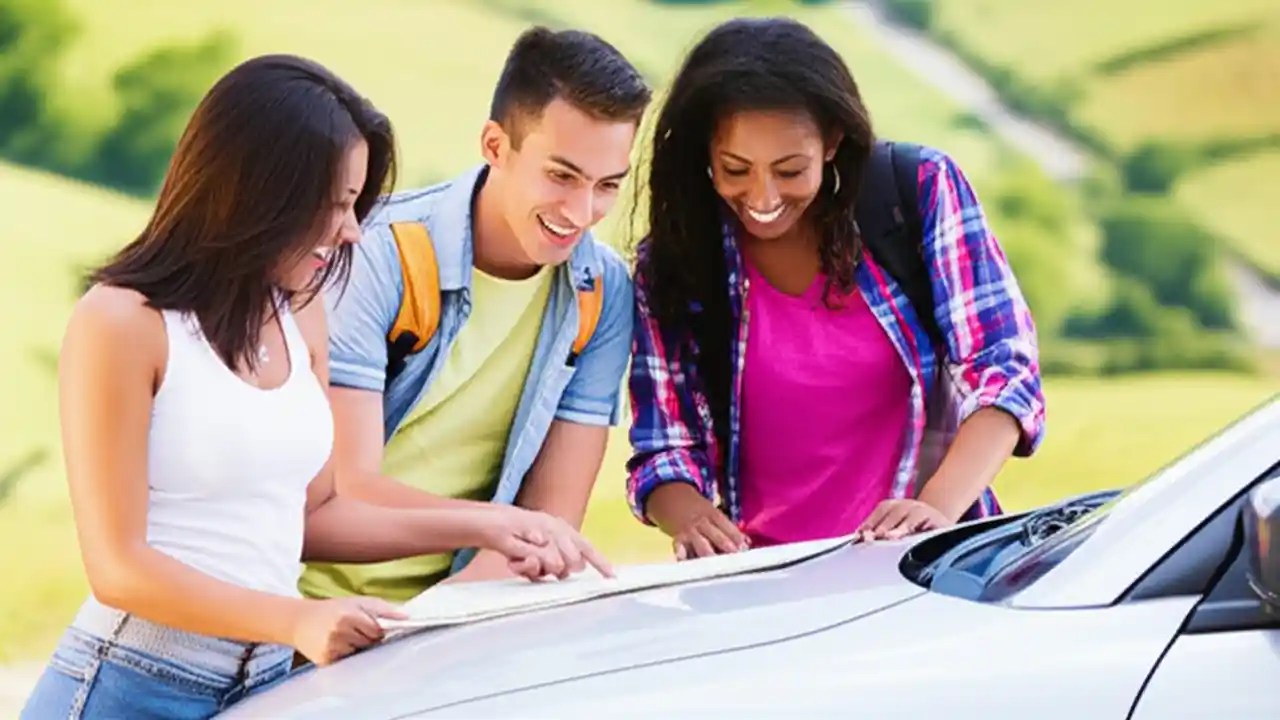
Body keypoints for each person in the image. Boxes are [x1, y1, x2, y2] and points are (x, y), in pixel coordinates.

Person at [21, 54, 610, 720]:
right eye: (332, 206)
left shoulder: (301, 310)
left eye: (355, 205)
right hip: (129, 686)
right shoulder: (123, 321)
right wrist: (296, 619)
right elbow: (118, 567)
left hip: (268, 684)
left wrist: (496, 525)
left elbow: (315, 515)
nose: (352, 230)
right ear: (254, 192)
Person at [625, 17, 1046, 560]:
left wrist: (935, 512)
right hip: (760, 584)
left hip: (923, 568)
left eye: (789, 170)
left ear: (832, 140)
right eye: (735, 169)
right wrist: (694, 519)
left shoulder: (918, 192)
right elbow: (664, 446)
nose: (763, 195)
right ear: (705, 153)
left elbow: (1004, 371)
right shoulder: (674, 262)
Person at [296, 27, 651, 603]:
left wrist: (439, 621)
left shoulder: (602, 293)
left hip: (460, 615)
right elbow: (347, 488)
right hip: (307, 609)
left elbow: (551, 522)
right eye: (561, 176)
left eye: (607, 185)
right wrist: (492, 526)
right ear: (494, 146)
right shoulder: (382, 253)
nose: (583, 212)